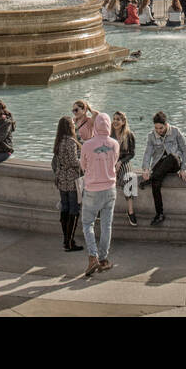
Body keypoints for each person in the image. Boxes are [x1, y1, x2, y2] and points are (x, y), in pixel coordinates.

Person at [78, 111, 120, 276]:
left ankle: (93, 257)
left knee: (88, 224)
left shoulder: (87, 144)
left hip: (92, 189)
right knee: (106, 225)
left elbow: (83, 165)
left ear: (95, 126)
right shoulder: (115, 144)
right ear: (109, 125)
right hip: (110, 189)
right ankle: (103, 259)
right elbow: (115, 162)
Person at [140, 110, 186, 225]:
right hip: (160, 165)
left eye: (161, 128)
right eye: (156, 128)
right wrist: (146, 169)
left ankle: (151, 178)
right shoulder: (151, 136)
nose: (158, 131)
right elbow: (147, 153)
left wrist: (183, 168)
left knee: (171, 156)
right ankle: (159, 214)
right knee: (156, 183)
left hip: (174, 162)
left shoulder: (176, 132)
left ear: (166, 124)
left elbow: (185, 150)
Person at [51, 116, 83, 251]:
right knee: (74, 210)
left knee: (64, 208)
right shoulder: (70, 142)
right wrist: (83, 163)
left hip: (61, 179)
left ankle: (65, 239)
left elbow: (58, 162)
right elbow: (73, 162)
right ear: (70, 127)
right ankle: (70, 242)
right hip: (71, 179)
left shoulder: (58, 142)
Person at [111, 111, 137, 225]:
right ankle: (101, 208)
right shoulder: (108, 133)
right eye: (114, 119)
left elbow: (132, 154)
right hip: (110, 161)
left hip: (124, 161)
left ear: (123, 122)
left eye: (118, 119)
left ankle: (130, 211)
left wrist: (120, 162)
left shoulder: (129, 135)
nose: (115, 121)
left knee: (129, 177)